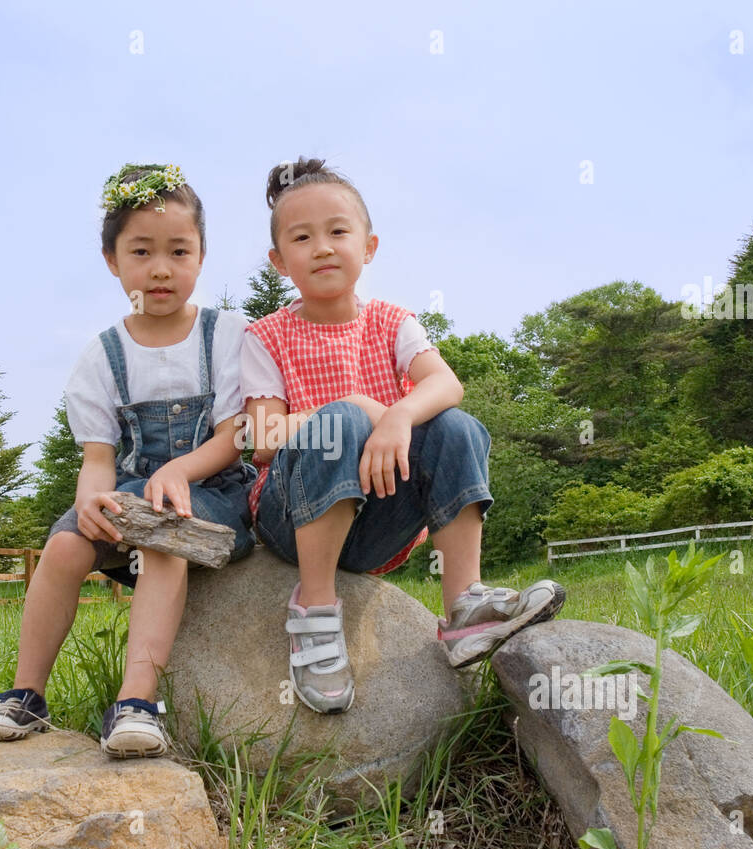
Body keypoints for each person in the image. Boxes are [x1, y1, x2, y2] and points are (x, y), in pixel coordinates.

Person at [240, 156, 565, 714]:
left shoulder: (392, 322)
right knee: (340, 422)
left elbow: (445, 384)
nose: (322, 247)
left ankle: (464, 605)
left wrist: (397, 416)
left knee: (454, 427)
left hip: (374, 528)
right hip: (293, 518)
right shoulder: (265, 335)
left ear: (368, 246)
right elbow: (264, 435)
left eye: (338, 231)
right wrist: (365, 408)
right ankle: (315, 612)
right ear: (278, 261)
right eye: (302, 237)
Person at [0, 162, 255, 755]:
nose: (160, 268)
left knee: (162, 536)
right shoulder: (101, 356)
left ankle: (137, 702)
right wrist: (90, 500)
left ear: (201, 256)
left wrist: (177, 471)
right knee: (67, 543)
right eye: (141, 251)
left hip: (214, 492)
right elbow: (98, 459)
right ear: (112, 261)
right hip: (131, 490)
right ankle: (26, 695)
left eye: (179, 251)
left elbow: (235, 436)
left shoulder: (227, 334)